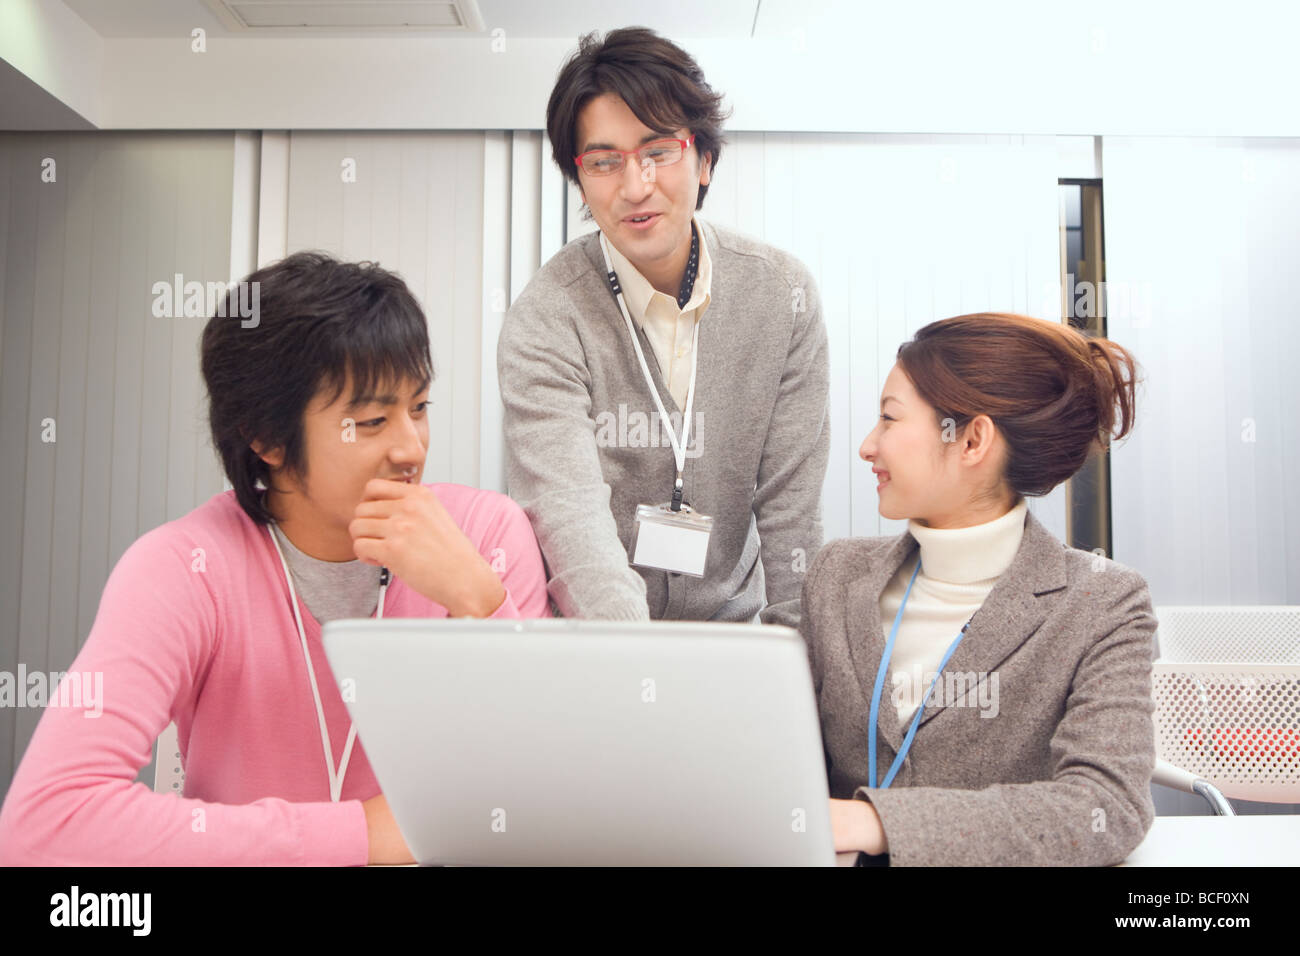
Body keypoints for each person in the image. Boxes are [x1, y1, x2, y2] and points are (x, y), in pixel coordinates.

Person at [0, 251, 550, 866]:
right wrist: (362, 834)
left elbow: (547, 800)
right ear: (265, 436)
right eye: (372, 420)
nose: (411, 448)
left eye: (419, 408)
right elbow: (45, 824)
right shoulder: (185, 569)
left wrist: (481, 601)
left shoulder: (484, 535)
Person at [498, 27, 830, 627]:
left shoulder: (783, 297)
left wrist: (798, 662)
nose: (635, 186)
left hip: (732, 633)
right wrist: (636, 664)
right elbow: (568, 511)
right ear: (580, 177)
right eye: (605, 162)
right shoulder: (547, 316)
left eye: (658, 151)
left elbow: (792, 511)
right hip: (597, 642)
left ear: (704, 159)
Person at [801, 312, 1156, 866]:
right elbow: (773, 744)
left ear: (971, 440)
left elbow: (1106, 807)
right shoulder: (837, 575)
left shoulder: (1104, 603)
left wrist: (877, 822)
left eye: (889, 419)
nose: (869, 446)